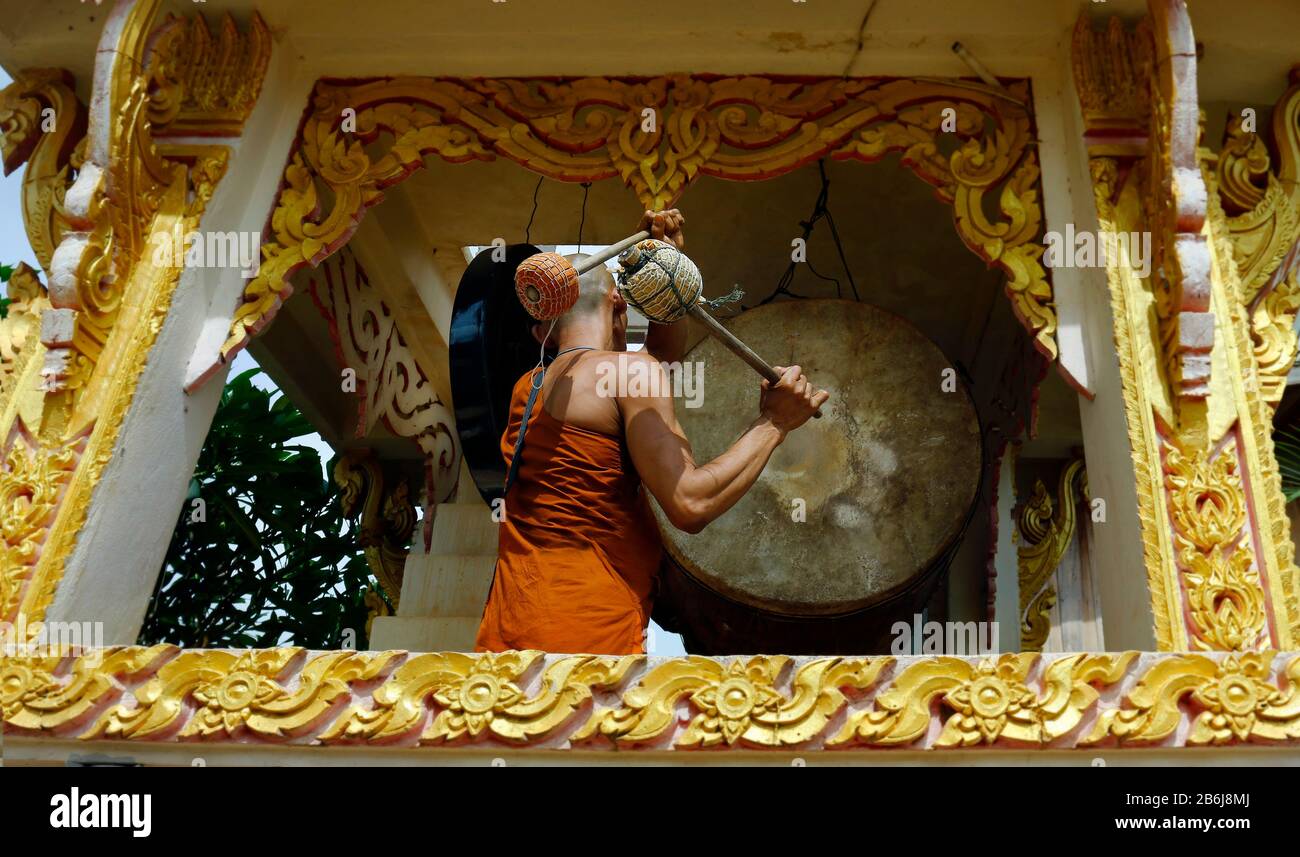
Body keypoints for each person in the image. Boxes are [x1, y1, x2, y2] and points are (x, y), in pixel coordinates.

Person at [474, 209, 829, 654]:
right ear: (620, 307)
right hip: (583, 641)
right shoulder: (628, 375)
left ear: (542, 327)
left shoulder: (529, 388)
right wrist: (774, 423)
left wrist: (669, 266)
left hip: (505, 637)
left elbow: (658, 359)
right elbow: (690, 502)